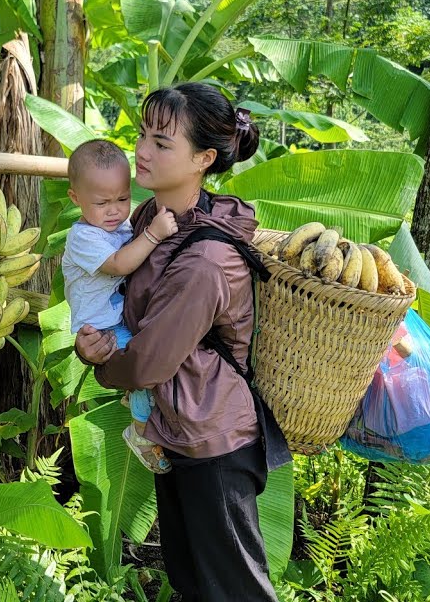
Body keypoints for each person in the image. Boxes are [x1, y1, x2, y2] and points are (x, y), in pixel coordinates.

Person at [74, 83, 279, 601]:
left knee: (235, 592)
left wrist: (102, 364)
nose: (142, 150)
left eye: (162, 143)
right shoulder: (148, 219)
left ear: (203, 159)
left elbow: (148, 360)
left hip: (213, 438)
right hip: (175, 428)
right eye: (143, 134)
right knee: (190, 581)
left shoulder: (207, 257)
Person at [62, 139, 177, 473]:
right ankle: (140, 432)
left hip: (121, 319)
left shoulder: (121, 225)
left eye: (123, 199)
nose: (114, 210)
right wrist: (154, 234)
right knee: (145, 371)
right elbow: (119, 264)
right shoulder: (83, 237)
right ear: (75, 198)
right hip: (104, 328)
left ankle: (135, 400)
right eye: (102, 203)